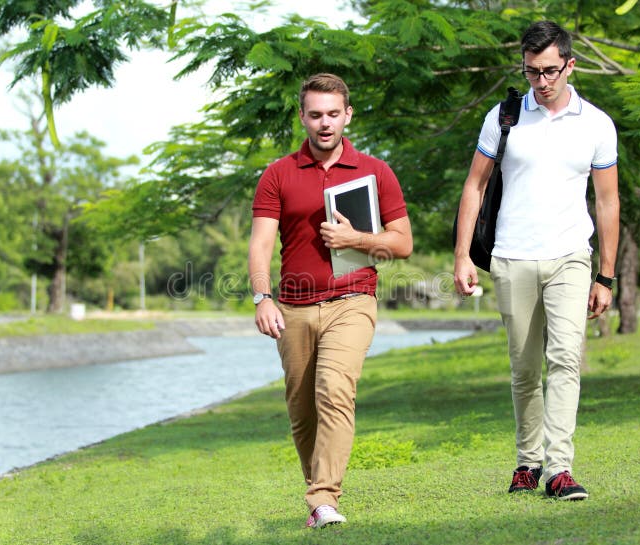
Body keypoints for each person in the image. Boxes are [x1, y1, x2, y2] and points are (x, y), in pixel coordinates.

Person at [453, 21, 619, 501]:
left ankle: (559, 468)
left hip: (570, 256)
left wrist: (605, 274)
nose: (541, 82)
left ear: (570, 64)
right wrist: (462, 254)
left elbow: (607, 202)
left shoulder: (596, 124)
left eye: (549, 71)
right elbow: (475, 186)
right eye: (531, 72)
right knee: (524, 369)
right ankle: (528, 461)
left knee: (565, 359)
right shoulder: (504, 116)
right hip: (511, 257)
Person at [248, 73, 413, 528]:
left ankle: (323, 499)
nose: (325, 124)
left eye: (333, 114)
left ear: (348, 115)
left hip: (353, 299)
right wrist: (262, 297)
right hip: (294, 308)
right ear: (302, 116)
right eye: (316, 115)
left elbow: (402, 244)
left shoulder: (376, 171)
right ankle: (320, 492)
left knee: (334, 390)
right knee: (302, 411)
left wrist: (356, 237)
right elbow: (261, 244)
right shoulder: (278, 174)